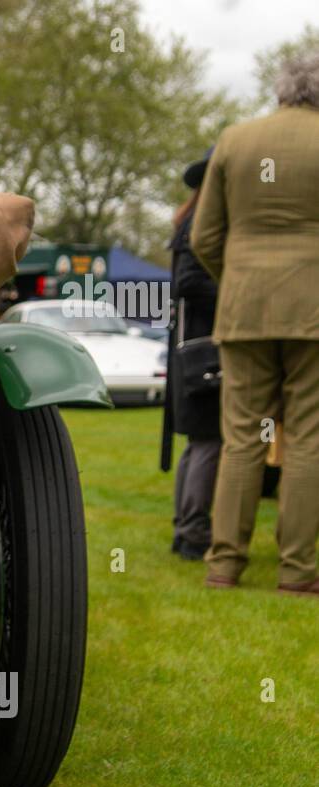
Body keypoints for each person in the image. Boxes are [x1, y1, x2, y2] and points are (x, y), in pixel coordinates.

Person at [191, 52, 319, 595]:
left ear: (281, 88)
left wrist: (238, 281)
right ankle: (298, 572)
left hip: (243, 310)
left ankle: (224, 565)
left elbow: (202, 239)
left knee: (240, 438)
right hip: (313, 309)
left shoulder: (234, 139)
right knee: (310, 439)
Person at [165, 149, 220, 561]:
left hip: (191, 349)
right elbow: (188, 283)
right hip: (203, 349)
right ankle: (193, 533)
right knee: (208, 442)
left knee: (198, 443)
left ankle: (186, 528)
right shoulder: (202, 223)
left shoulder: (190, 220)